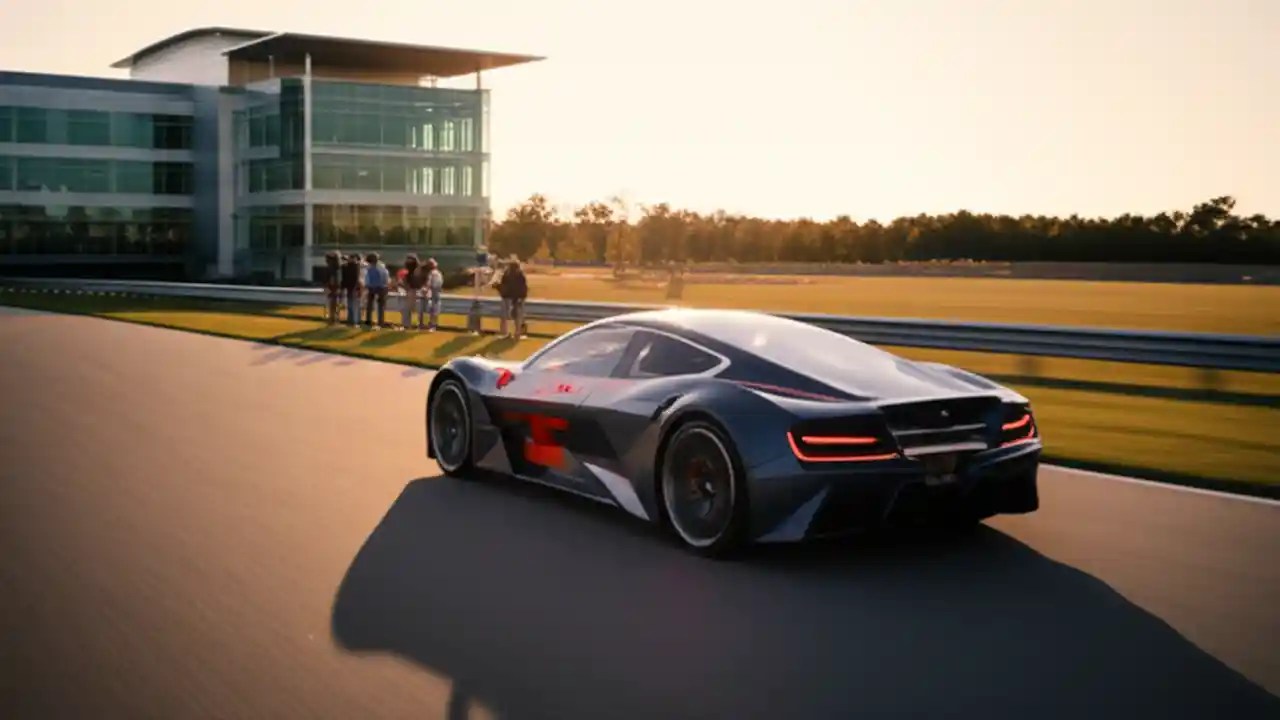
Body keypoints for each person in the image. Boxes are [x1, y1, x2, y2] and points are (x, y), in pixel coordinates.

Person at [498, 259, 528, 338]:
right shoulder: (520, 275)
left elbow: (503, 285)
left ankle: (505, 332)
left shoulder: (506, 274)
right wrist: (522, 297)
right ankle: (517, 333)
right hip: (517, 298)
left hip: (506, 297)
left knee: (504, 316)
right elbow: (523, 287)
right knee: (517, 316)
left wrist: (500, 290)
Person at [363, 252, 389, 328]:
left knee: (373, 305)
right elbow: (386, 277)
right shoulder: (381, 267)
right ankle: (376, 321)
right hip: (378, 287)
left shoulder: (374, 268)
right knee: (376, 305)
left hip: (376, 287)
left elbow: (368, 278)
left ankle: (373, 321)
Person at [401, 254, 425, 330]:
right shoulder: (419, 271)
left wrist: (405, 286)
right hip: (417, 291)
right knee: (417, 309)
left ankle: (408, 325)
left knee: (408, 309)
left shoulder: (412, 272)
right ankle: (418, 324)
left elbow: (406, 282)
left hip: (412, 290)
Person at [340, 253, 362, 326]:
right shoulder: (356, 266)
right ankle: (354, 320)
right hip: (353, 288)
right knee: (353, 305)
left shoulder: (349, 267)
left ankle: (352, 320)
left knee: (352, 305)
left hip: (352, 288)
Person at [423, 257, 444, 331]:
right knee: (435, 310)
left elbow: (429, 284)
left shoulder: (432, 273)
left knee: (432, 310)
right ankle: (433, 325)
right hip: (436, 292)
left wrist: (426, 290)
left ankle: (432, 325)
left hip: (433, 292)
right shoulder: (439, 273)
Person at [323, 251, 342, 325]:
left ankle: (332, 318)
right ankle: (334, 318)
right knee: (335, 303)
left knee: (332, 303)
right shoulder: (338, 268)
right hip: (335, 287)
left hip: (332, 287)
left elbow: (329, 278)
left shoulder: (331, 268)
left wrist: (327, 287)